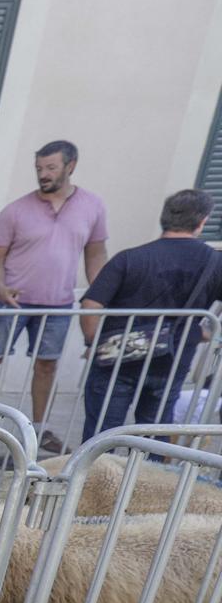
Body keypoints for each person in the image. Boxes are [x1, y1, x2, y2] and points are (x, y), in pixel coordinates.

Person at [0, 140, 109, 448]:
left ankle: (39, 430)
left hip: (58, 303)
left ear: (70, 166)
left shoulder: (92, 206)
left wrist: (101, 296)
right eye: (39, 169)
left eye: (51, 168)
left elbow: (96, 255)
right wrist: (0, 287)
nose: (43, 174)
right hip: (11, 301)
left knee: (47, 365)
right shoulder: (15, 210)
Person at [78, 189, 222, 442]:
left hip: (117, 357)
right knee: (154, 436)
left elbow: (91, 305)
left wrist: (93, 343)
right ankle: (150, 480)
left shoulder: (130, 258)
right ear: (202, 221)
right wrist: (205, 333)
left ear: (164, 218)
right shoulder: (214, 263)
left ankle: (94, 480)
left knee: (102, 436)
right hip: (172, 360)